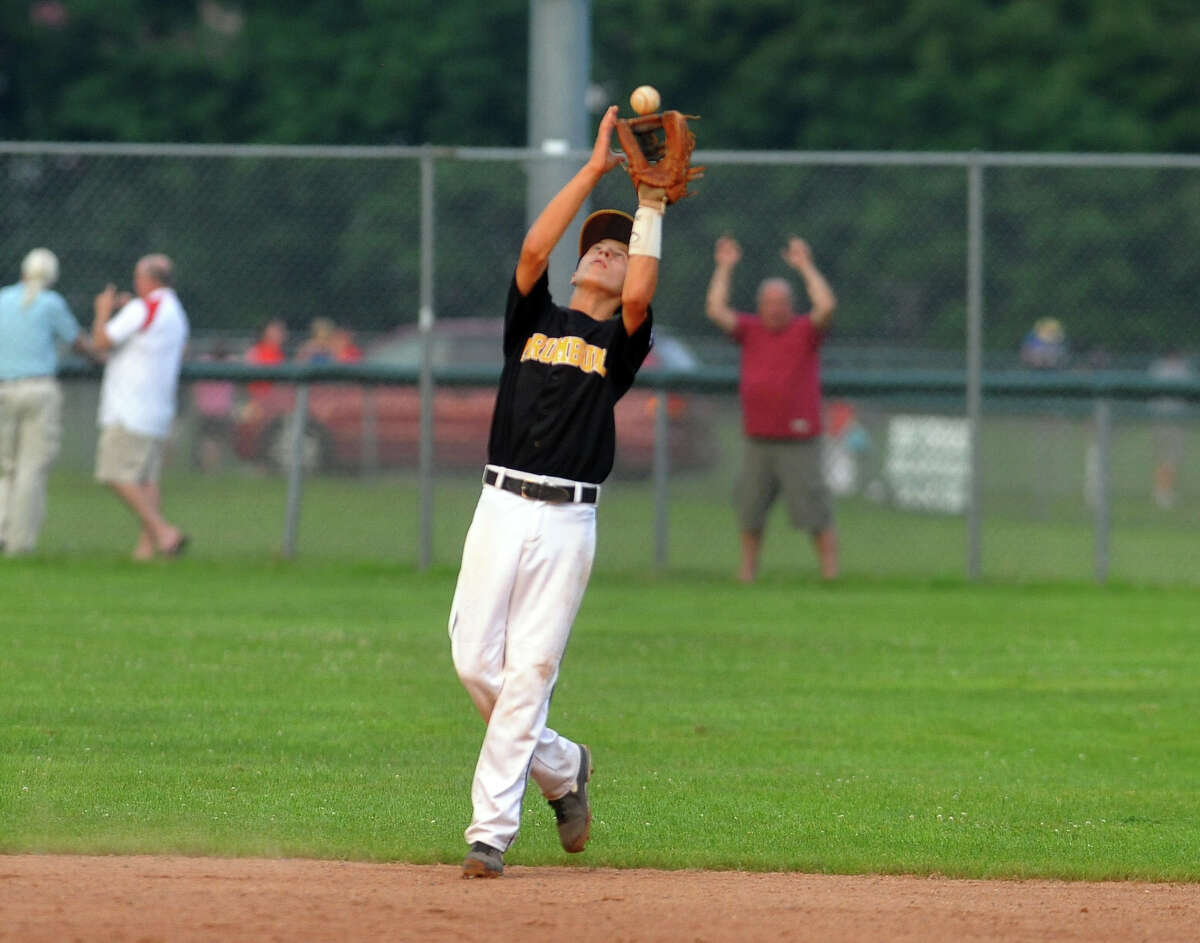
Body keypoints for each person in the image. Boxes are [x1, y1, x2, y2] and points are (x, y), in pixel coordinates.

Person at [449, 104, 664, 878]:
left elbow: (639, 298)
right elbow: (535, 246)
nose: (606, 252)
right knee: (476, 664)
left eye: (619, 249)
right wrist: (593, 170)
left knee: (530, 671)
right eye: (598, 245)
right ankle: (563, 765)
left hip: (568, 520)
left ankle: (490, 835)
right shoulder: (533, 319)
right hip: (500, 505)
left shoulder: (619, 342)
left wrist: (651, 206)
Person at [705, 234, 839, 582]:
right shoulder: (750, 330)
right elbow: (716, 309)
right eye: (769, 302)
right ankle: (747, 571)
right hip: (758, 437)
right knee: (750, 508)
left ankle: (830, 574)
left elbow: (826, 306)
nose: (775, 308)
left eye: (781, 302)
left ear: (791, 305)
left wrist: (805, 266)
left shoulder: (805, 330)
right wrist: (724, 267)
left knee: (813, 508)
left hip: (799, 438)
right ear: (760, 305)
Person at [89, 254, 190, 560]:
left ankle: (164, 532)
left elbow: (101, 342)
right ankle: (146, 549)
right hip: (158, 408)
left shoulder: (143, 308)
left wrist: (103, 311)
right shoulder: (176, 312)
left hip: (130, 408)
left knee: (114, 473)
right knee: (147, 480)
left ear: (148, 279)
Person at [0, 248, 97, 556]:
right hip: (39, 389)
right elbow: (78, 341)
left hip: (4, 389)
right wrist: (99, 354)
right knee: (31, 468)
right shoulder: (50, 303)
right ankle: (19, 542)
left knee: (4, 467)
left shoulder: (3, 299)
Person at [1148, 347, 1192, 509]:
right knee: (1168, 456)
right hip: (1166, 418)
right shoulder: (1178, 370)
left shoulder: (1158, 368)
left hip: (1169, 418)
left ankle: (1164, 490)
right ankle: (1163, 492)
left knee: (1167, 457)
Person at [244, 317, 288, 398]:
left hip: (276, 396)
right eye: (277, 330)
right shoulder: (255, 351)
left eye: (282, 331)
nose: (282, 334)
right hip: (258, 396)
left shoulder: (280, 354)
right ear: (266, 332)